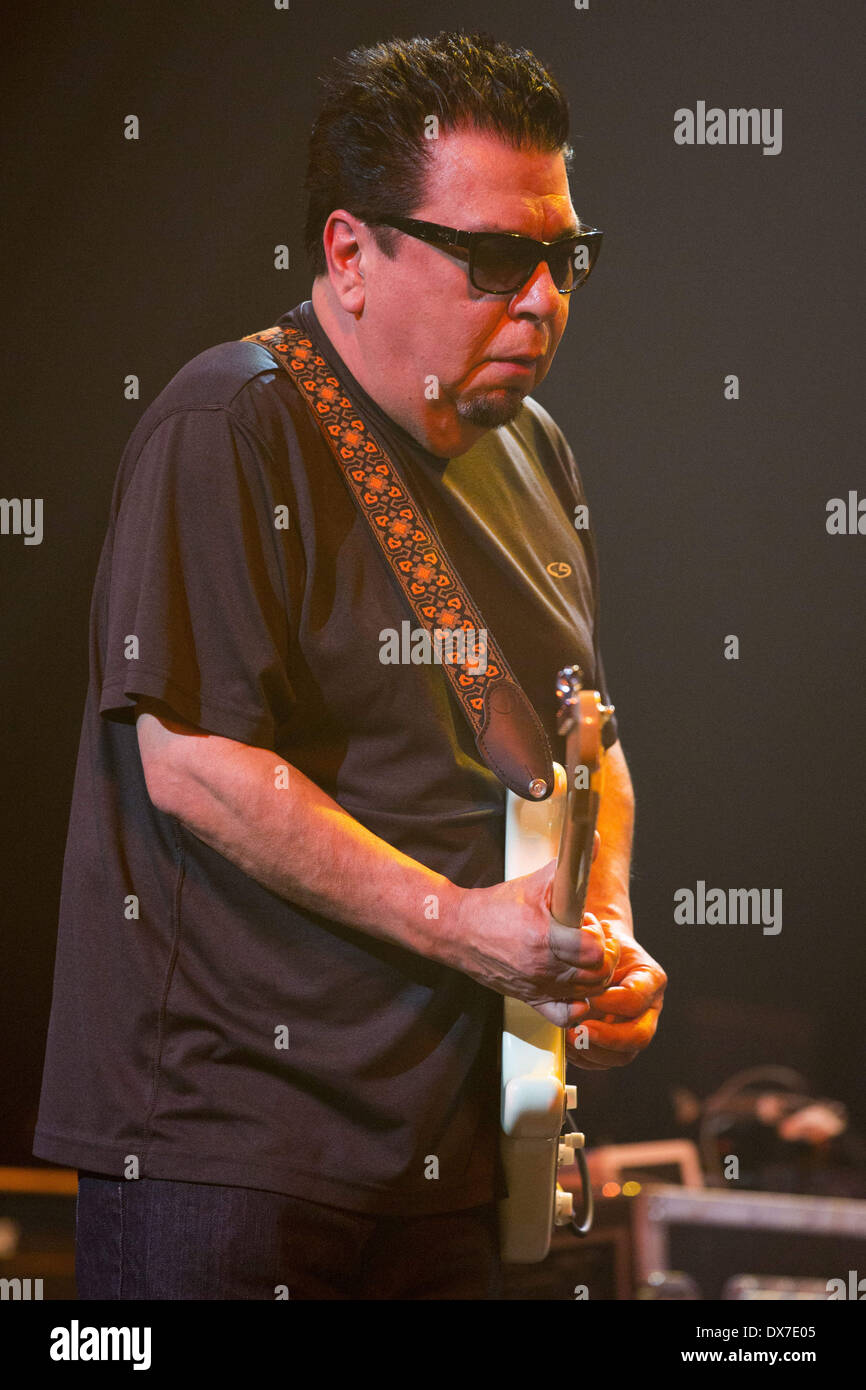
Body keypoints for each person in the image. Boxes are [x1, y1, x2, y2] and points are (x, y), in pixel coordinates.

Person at [33, 31, 666, 1300]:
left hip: (457, 1158)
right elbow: (196, 766)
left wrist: (605, 937)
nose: (540, 296)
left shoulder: (535, 450)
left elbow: (579, 745)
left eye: (563, 257)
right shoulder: (231, 421)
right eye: (494, 256)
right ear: (347, 253)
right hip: (235, 1156)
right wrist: (470, 929)